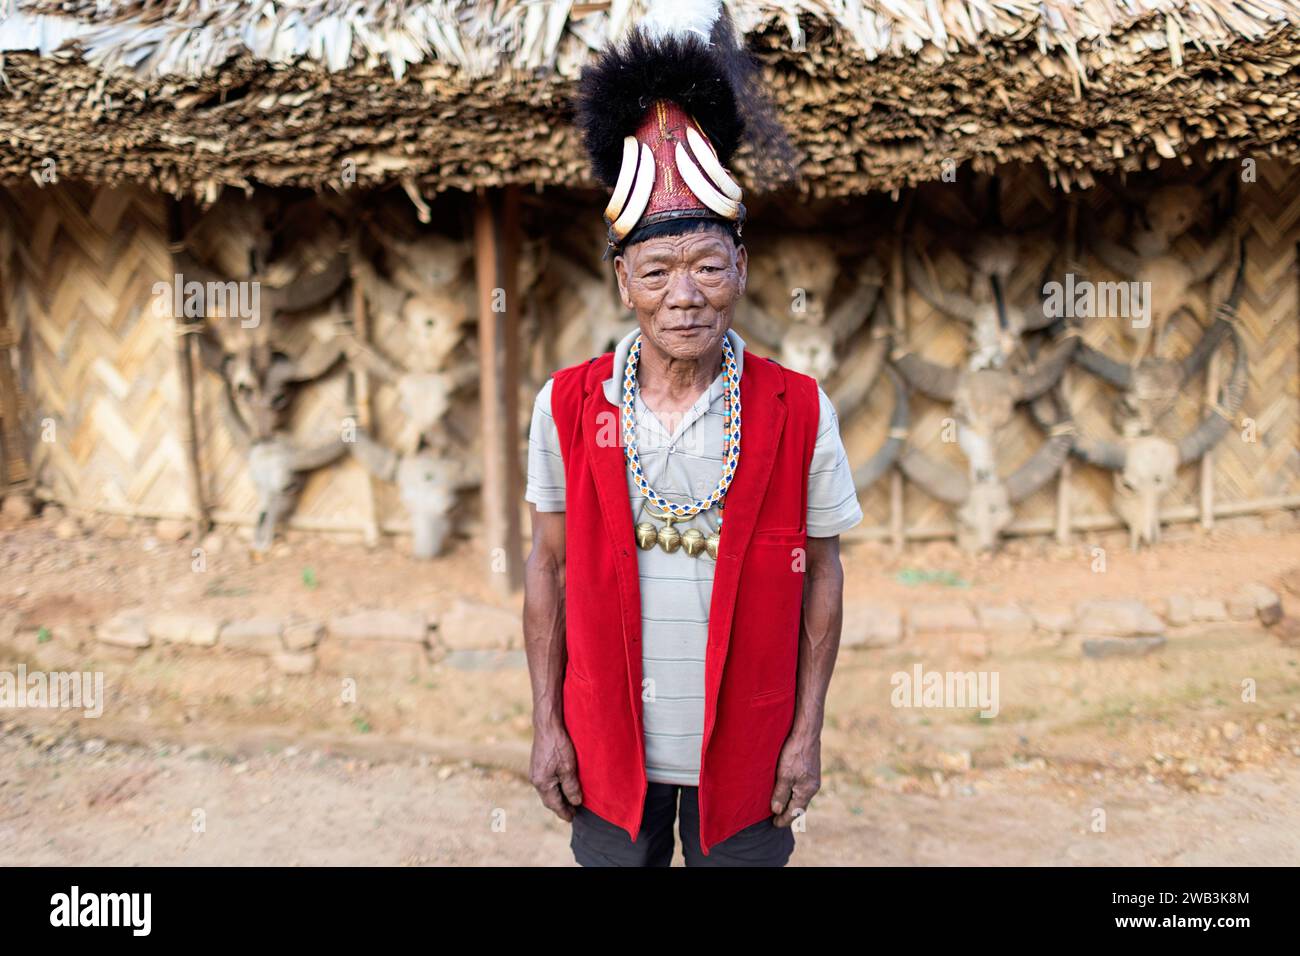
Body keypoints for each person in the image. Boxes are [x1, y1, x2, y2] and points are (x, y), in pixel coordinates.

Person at [522, 0, 863, 866]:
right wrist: (546, 726)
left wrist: (805, 733)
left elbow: (822, 569)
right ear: (622, 281)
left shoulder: (796, 408)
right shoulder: (566, 405)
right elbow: (547, 565)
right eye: (659, 269)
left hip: (747, 760)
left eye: (709, 264)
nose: (687, 293)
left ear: (741, 270)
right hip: (606, 753)